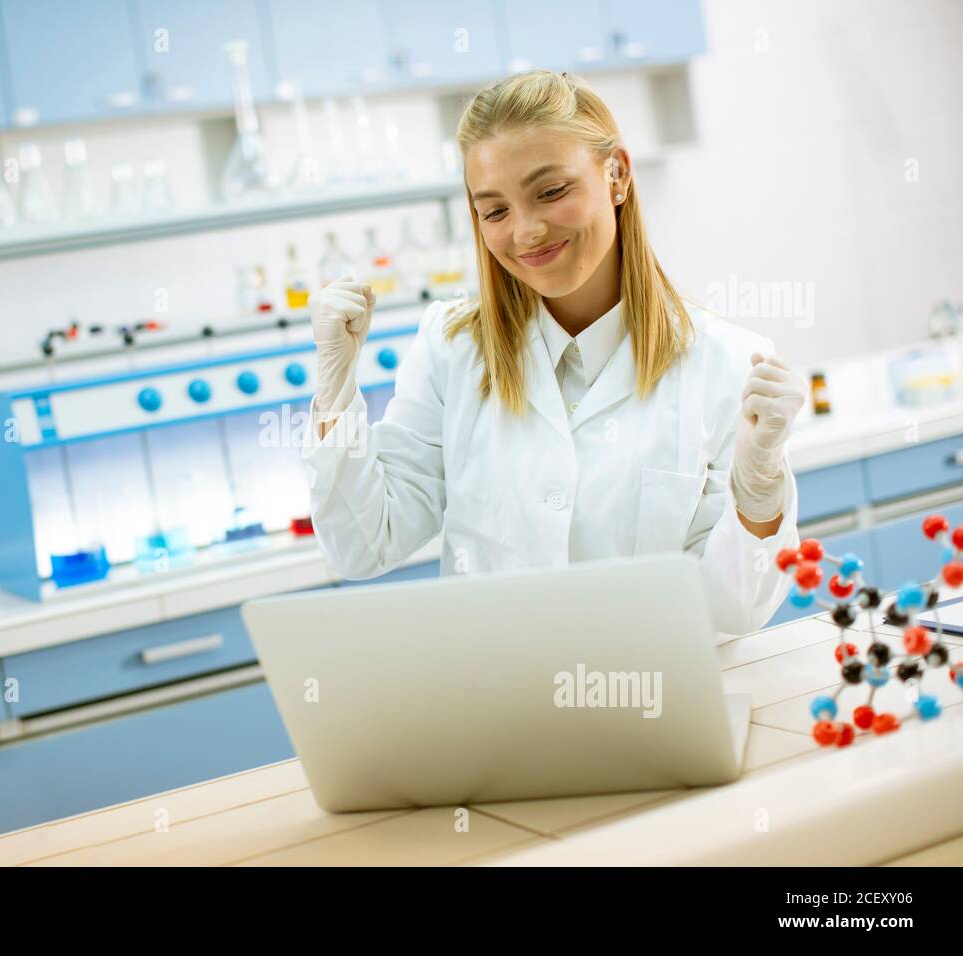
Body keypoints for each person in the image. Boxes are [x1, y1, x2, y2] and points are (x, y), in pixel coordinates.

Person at [300, 70, 805, 635]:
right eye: (494, 211)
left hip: (649, 707)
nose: (527, 231)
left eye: (551, 191)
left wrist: (758, 491)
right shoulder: (452, 349)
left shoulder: (727, 364)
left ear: (617, 174)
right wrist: (336, 392)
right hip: (501, 712)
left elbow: (732, 612)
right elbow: (365, 545)